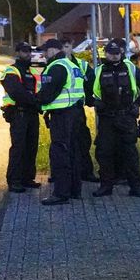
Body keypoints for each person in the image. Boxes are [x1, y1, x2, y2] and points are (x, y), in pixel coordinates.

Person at [90, 39, 140, 198]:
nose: (113, 57)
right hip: (107, 119)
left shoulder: (131, 68)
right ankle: (106, 186)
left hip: (126, 118)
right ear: (106, 54)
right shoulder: (98, 71)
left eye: (116, 53)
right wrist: (95, 103)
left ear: (122, 53)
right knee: (105, 153)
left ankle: (136, 187)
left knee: (130, 153)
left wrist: (137, 104)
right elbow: (86, 91)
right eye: (110, 54)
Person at [34, 39, 87, 205]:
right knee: (73, 152)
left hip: (63, 115)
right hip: (75, 113)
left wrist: (34, 101)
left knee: (60, 153)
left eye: (44, 51)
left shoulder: (57, 67)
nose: (43, 55)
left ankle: (61, 193)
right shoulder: (71, 65)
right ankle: (74, 190)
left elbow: (49, 93)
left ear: (52, 50)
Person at [0, 41, 41, 193]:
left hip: (32, 114)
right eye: (25, 52)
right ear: (17, 53)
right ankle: (14, 180)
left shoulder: (33, 72)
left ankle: (28, 178)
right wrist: (35, 102)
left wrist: (38, 103)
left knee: (31, 146)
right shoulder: (11, 71)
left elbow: (39, 90)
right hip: (19, 114)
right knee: (19, 148)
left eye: (30, 51)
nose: (28, 54)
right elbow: (16, 92)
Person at [63, 39, 99, 184]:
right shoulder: (55, 65)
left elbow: (92, 83)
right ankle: (61, 174)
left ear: (71, 47)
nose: (64, 50)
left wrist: (89, 99)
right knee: (62, 144)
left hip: (78, 110)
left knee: (83, 141)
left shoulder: (82, 65)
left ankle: (86, 172)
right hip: (61, 111)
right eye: (62, 47)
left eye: (67, 46)